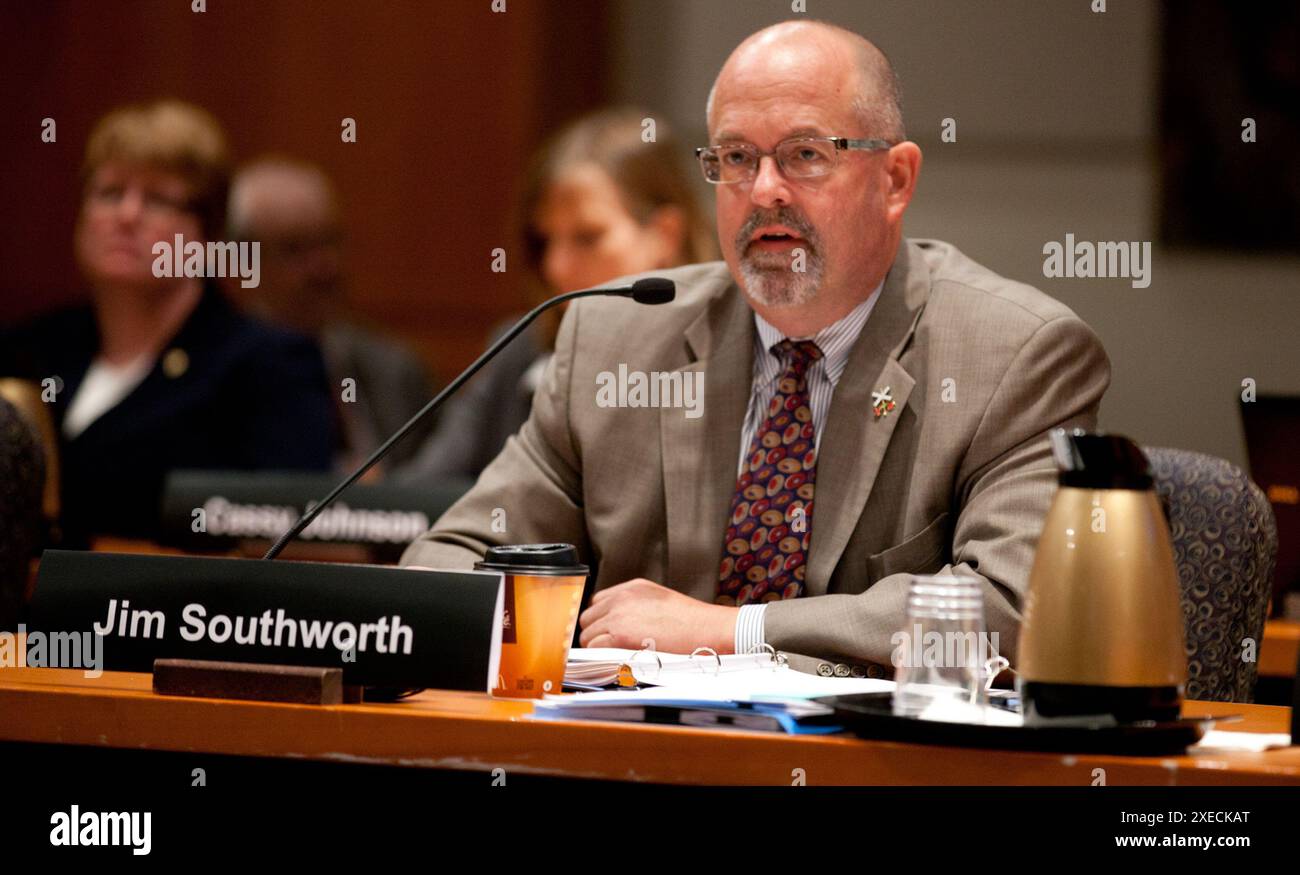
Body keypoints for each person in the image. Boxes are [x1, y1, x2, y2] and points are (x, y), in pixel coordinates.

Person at [401, 21, 1110, 676]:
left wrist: (728, 630)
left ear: (894, 179)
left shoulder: (1016, 354)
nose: (765, 190)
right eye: (736, 158)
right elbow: (446, 560)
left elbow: (1013, 610)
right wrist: (562, 639)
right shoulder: (614, 340)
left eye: (805, 154)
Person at [0, 100, 336, 544]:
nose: (126, 216)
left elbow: (288, 534)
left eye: (157, 199)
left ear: (208, 231)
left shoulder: (269, 365)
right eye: (110, 192)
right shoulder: (30, 348)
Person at [393, 107, 715, 485]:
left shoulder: (726, 351)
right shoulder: (519, 350)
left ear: (665, 234)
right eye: (545, 240)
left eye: (587, 237)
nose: (556, 266)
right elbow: (424, 499)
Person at [227, 158, 437, 471]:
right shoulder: (218, 378)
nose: (324, 266)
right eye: (295, 248)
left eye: (329, 241)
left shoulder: (394, 369)